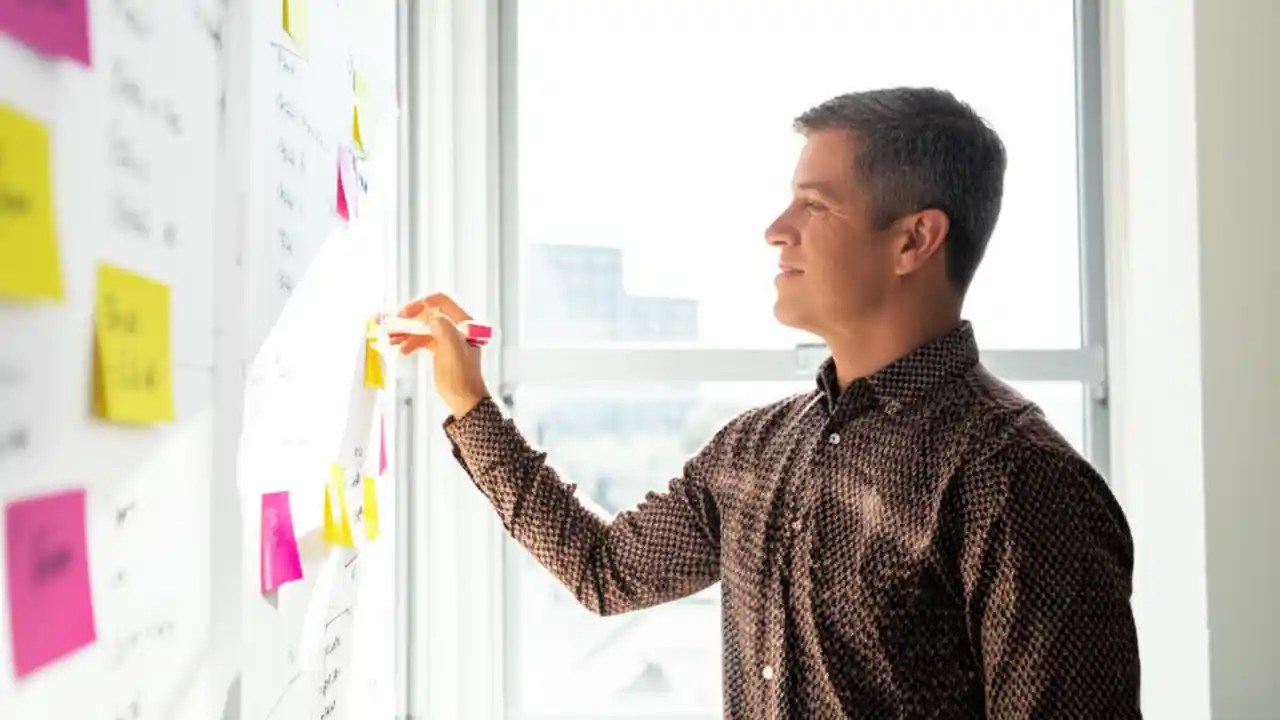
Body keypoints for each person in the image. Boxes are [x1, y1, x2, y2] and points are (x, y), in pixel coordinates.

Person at [391, 87, 1142, 718]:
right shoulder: (754, 450)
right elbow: (604, 570)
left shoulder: (1023, 484)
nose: (776, 230)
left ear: (914, 240)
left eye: (814, 206)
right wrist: (469, 402)